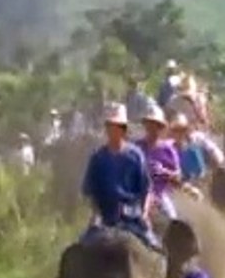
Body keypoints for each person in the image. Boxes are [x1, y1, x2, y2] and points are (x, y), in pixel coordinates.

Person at [79, 103, 160, 251]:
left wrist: (144, 214)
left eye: (116, 126)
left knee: (155, 248)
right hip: (105, 216)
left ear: (123, 130)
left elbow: (146, 189)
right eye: (109, 126)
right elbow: (89, 190)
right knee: (81, 248)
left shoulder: (135, 155)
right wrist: (95, 212)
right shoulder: (98, 157)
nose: (112, 130)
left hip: (131, 216)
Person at [136, 104, 183, 220]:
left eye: (155, 125)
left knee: (172, 219)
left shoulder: (168, 150)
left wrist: (163, 172)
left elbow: (178, 178)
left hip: (160, 195)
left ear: (160, 127)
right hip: (136, 194)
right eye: (149, 124)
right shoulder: (136, 147)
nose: (151, 128)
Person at [170, 114, 208, 187]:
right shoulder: (167, 150)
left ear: (185, 131)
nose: (179, 133)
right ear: (172, 132)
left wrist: (192, 182)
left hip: (191, 188)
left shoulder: (193, 149)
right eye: (176, 130)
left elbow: (201, 171)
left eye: (182, 130)